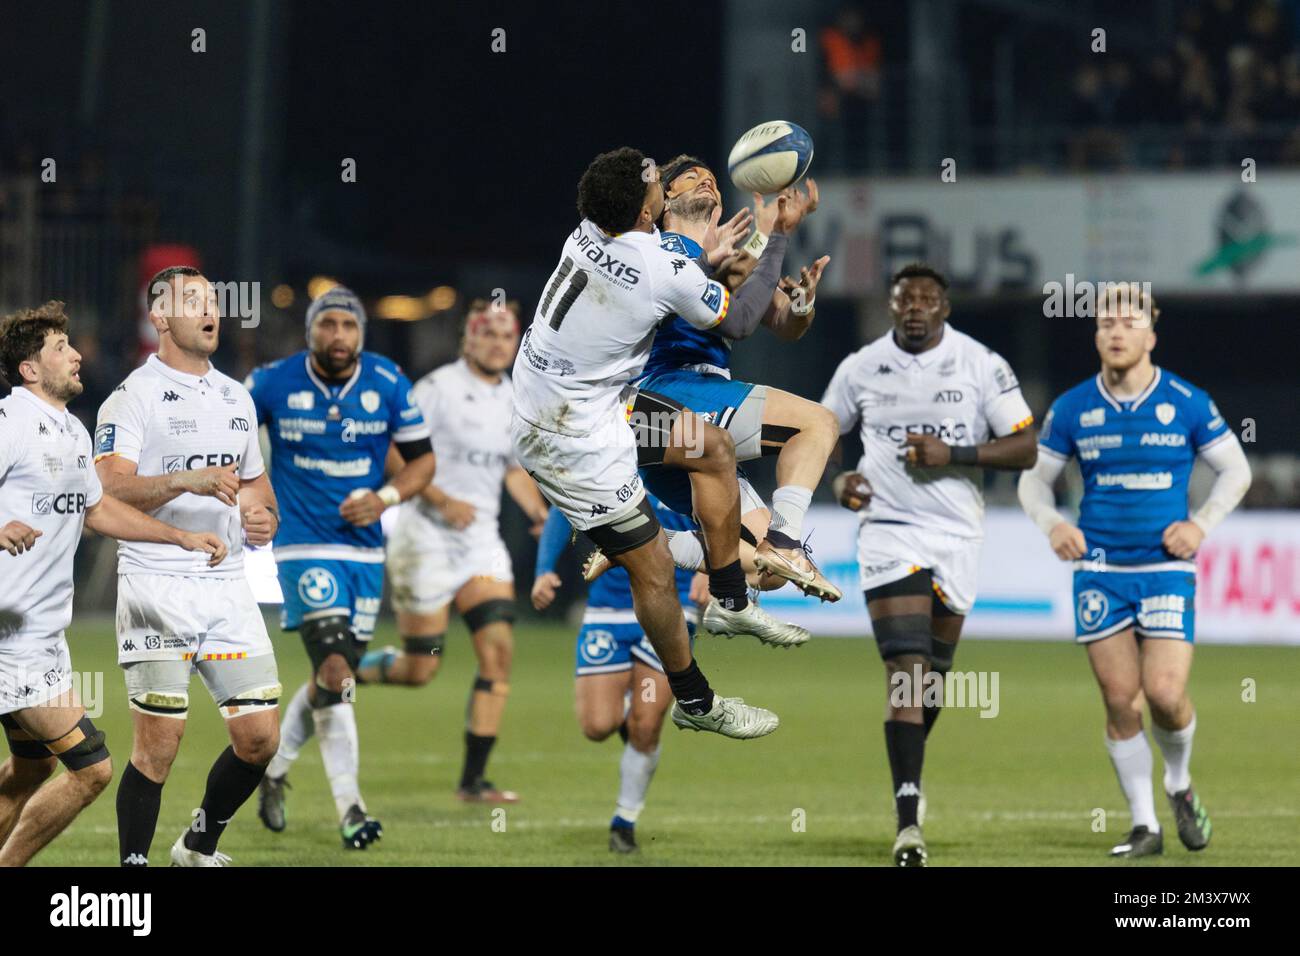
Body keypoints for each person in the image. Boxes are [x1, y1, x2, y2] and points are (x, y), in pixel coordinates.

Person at [511, 147, 816, 741]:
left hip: (575, 402)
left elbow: (677, 259)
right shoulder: (661, 267)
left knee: (712, 449)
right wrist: (773, 237)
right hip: (574, 436)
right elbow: (738, 319)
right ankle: (698, 700)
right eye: (653, 180)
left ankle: (729, 599)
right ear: (648, 206)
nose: (657, 179)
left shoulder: (588, 233)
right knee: (652, 572)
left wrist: (718, 254)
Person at [1017, 289, 1250, 858]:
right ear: (1096, 335)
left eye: (1129, 322)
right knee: (1122, 701)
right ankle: (1145, 825)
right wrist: (1052, 524)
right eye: (1106, 324)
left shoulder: (1186, 401)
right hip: (1098, 570)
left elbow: (1235, 471)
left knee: (1166, 695)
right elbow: (1032, 481)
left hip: (1166, 568)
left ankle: (1178, 782)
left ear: (1151, 335)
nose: (1116, 332)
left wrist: (1199, 524)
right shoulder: (1073, 407)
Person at [822, 263, 1037, 866]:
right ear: (892, 307)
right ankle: (908, 823)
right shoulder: (860, 367)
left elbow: (1026, 446)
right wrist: (841, 480)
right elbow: (820, 431)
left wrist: (955, 453)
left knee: (932, 679)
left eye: (927, 299)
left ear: (944, 308)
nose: (915, 307)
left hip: (957, 534)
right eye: (904, 299)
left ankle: (908, 767)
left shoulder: (981, 364)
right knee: (907, 670)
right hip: (888, 532)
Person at [0, 301, 226, 866]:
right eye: (60, 348)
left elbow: (98, 512)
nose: (77, 354)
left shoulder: (74, 431)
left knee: (33, 767)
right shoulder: (9, 424)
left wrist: (179, 538)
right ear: (29, 369)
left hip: (45, 637)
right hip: (10, 638)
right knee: (92, 769)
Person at [96, 267, 280, 867]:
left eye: (214, 302)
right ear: (160, 316)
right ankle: (132, 874)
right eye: (193, 301)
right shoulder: (132, 396)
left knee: (259, 740)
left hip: (227, 587)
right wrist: (184, 479)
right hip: (156, 584)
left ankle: (198, 844)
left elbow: (255, 485)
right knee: (159, 746)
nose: (210, 311)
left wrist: (262, 518)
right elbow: (106, 488)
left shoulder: (236, 396)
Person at [247, 286, 435, 848]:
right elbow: (231, 447)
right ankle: (352, 809)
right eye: (326, 326)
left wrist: (386, 499)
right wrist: (248, 503)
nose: (337, 337)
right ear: (310, 331)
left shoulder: (388, 382)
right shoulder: (271, 382)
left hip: (364, 552)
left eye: (347, 327)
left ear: (361, 334)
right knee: (336, 673)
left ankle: (274, 771)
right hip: (303, 546)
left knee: (332, 680)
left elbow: (423, 461)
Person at [360, 299, 548, 802]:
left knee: (499, 653)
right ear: (469, 339)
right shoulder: (437, 389)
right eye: (488, 335)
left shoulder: (514, 397)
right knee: (422, 669)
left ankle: (473, 781)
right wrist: (441, 500)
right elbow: (392, 449)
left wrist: (538, 512)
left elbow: (512, 468)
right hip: (425, 539)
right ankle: (356, 667)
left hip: (481, 544)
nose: (498, 344)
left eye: (507, 337)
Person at [633, 154, 841, 602]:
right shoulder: (656, 248)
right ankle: (787, 544)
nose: (707, 182)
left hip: (679, 427)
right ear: (665, 196)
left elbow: (781, 323)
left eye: (712, 180)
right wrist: (773, 237)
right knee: (818, 423)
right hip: (670, 394)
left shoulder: (728, 256)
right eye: (692, 178)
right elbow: (731, 292)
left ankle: (643, 542)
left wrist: (802, 303)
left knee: (767, 573)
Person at [531, 495, 705, 852]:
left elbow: (724, 511)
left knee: (646, 721)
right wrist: (544, 568)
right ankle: (638, 720)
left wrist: (718, 570)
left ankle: (623, 823)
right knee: (597, 725)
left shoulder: (690, 455)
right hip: (610, 606)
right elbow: (564, 508)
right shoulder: (608, 460)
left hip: (672, 606)